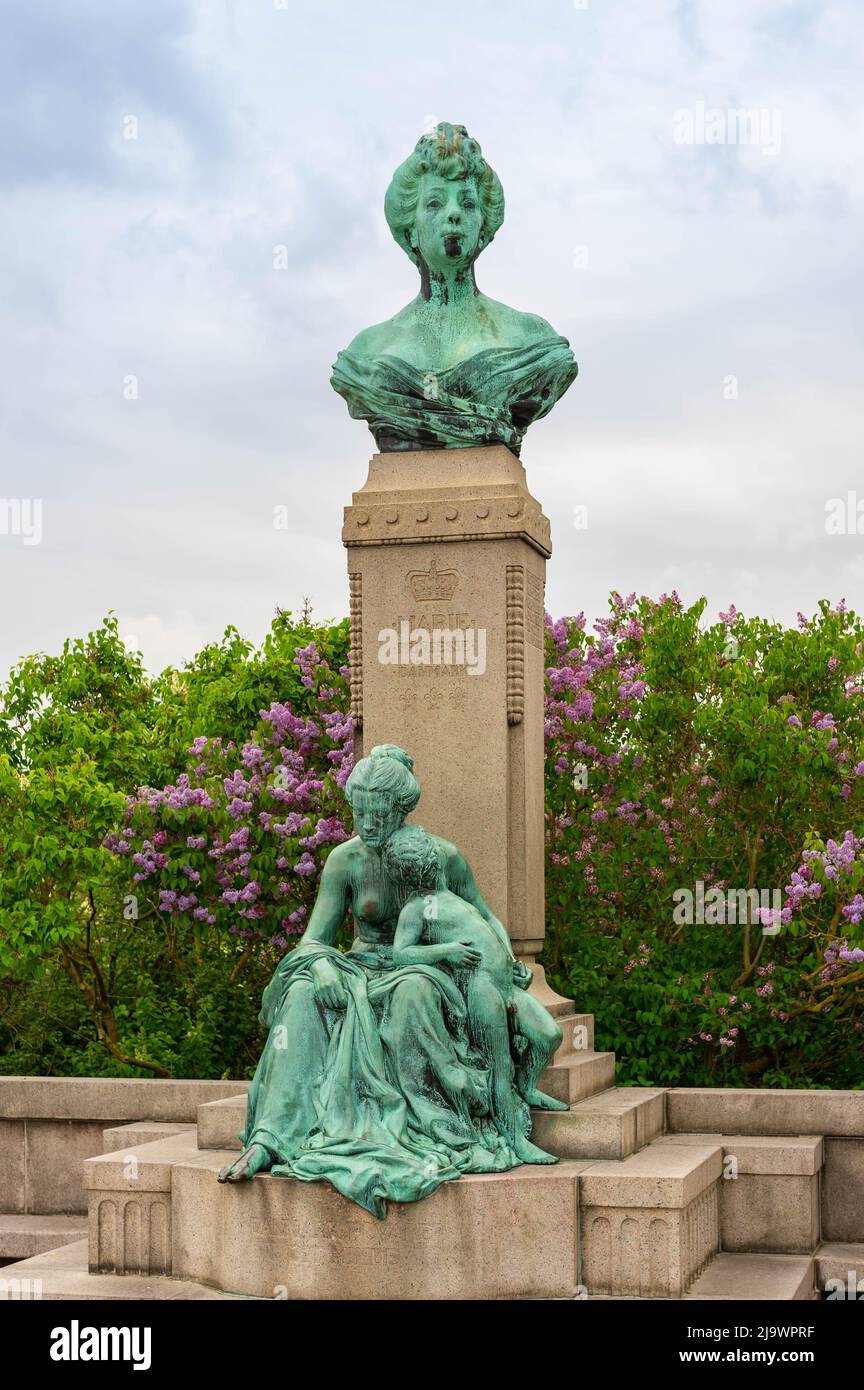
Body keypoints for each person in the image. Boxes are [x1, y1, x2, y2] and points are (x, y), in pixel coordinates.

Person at [217, 744, 564, 1216]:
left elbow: (484, 917)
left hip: (422, 970)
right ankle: (271, 1137)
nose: (366, 822)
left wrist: (505, 962)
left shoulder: (441, 857)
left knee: (415, 992)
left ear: (401, 809)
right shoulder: (345, 861)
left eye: (377, 812)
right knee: (299, 995)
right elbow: (313, 940)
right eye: (358, 811)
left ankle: (431, 1125)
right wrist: (320, 966)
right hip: (358, 968)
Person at [387, 823, 560, 1164]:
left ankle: (526, 1087)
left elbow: (490, 920)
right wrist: (445, 951)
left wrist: (512, 961)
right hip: (478, 988)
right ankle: (515, 1138)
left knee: (549, 1035)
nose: (437, 864)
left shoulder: (452, 895)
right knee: (499, 1068)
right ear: (417, 873)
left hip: (504, 981)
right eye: (429, 863)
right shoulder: (416, 908)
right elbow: (399, 954)